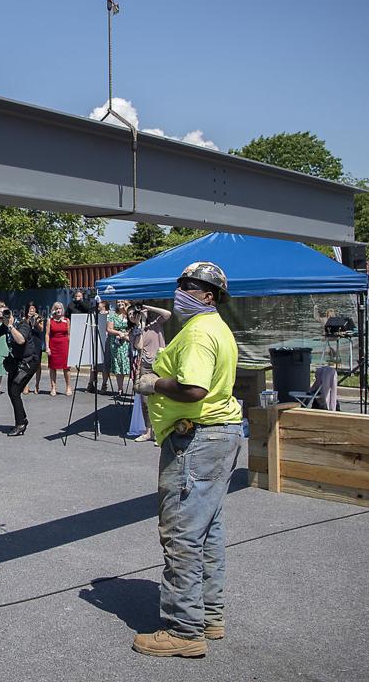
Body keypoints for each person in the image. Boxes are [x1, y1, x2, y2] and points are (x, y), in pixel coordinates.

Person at [132, 262, 242, 659]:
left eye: (189, 286)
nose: (180, 291)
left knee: (180, 532)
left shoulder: (198, 333)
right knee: (207, 530)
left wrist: (153, 383)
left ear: (208, 296)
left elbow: (194, 389)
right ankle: (209, 615)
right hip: (218, 433)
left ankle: (183, 629)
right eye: (180, 285)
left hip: (197, 438)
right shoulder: (216, 329)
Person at [0, 305, 42, 436]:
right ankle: (22, 419)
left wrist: (11, 326)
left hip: (29, 361)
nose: (4, 315)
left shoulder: (22, 324)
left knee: (14, 390)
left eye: (6, 313)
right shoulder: (3, 325)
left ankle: (21, 424)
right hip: (15, 361)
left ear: (11, 313)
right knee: (12, 392)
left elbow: (20, 340)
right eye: (1, 313)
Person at [129, 301, 172, 441]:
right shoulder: (134, 331)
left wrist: (148, 308)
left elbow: (168, 314)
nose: (132, 316)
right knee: (146, 399)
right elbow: (139, 346)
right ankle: (148, 432)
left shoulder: (155, 324)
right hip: (145, 366)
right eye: (129, 315)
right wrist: (139, 326)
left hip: (161, 364)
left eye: (134, 313)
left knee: (163, 397)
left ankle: (162, 431)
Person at [104, 300, 132, 395]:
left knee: (129, 362)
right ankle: (120, 388)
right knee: (119, 363)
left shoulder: (129, 314)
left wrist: (126, 334)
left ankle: (135, 388)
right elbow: (109, 329)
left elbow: (134, 326)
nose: (120, 304)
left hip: (128, 340)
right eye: (118, 302)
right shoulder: (113, 315)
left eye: (122, 302)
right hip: (116, 342)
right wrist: (119, 333)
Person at [45, 302, 72, 396]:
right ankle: (53, 387)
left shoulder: (67, 320)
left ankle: (68, 387)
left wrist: (71, 347)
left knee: (66, 368)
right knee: (52, 367)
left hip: (64, 345)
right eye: (56, 308)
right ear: (53, 310)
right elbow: (47, 334)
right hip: (53, 345)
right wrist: (47, 347)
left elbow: (69, 334)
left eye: (60, 308)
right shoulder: (50, 320)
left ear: (62, 310)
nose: (58, 310)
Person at [86, 298, 110, 393]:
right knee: (94, 364)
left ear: (104, 306)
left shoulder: (108, 315)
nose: (98, 307)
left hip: (105, 341)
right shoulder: (96, 314)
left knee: (104, 365)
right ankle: (91, 384)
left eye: (99, 305)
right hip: (95, 340)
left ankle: (104, 385)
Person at [22, 301, 45, 394]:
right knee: (26, 364)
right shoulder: (24, 318)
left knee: (37, 365)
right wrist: (28, 318)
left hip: (37, 342)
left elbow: (41, 329)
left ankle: (37, 385)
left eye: (33, 309)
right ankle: (25, 385)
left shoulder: (39, 318)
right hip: (27, 342)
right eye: (30, 309)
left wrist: (36, 320)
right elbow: (24, 327)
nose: (32, 310)